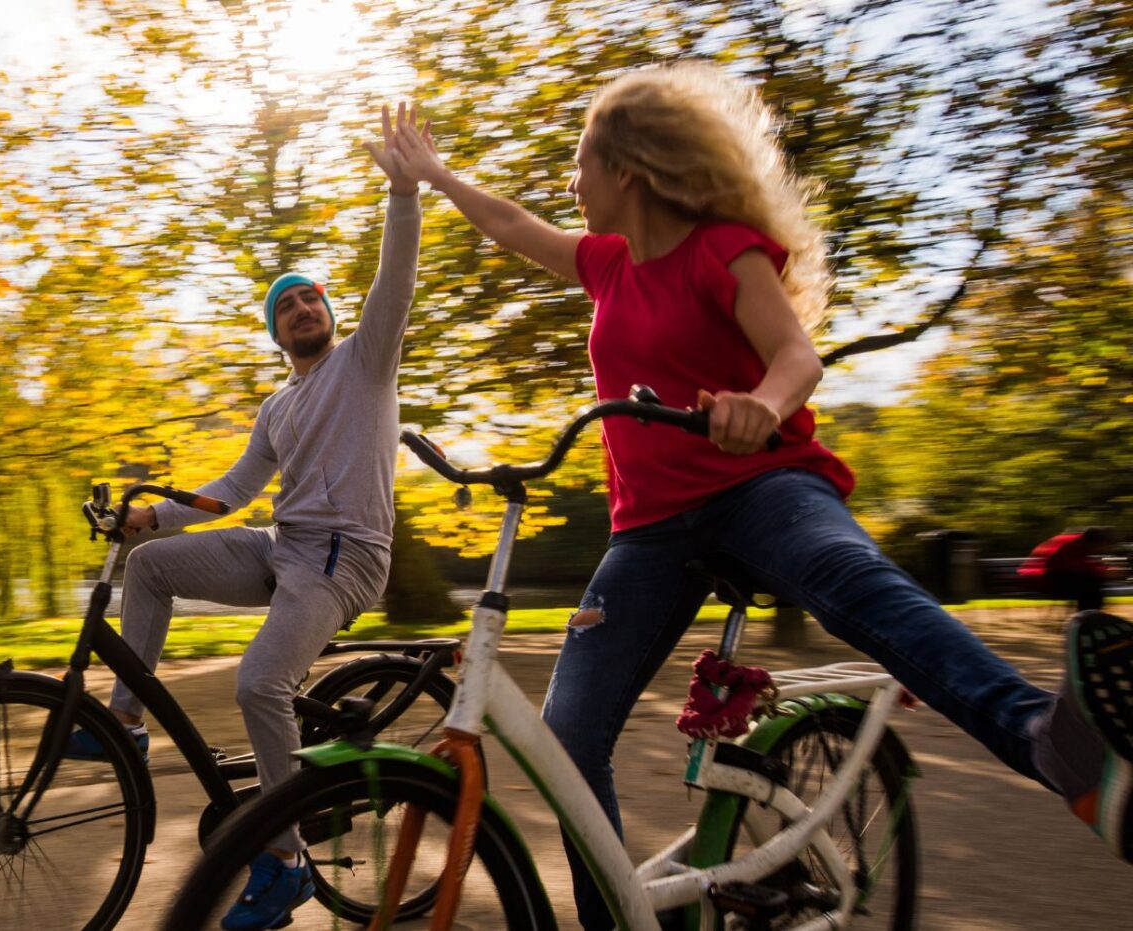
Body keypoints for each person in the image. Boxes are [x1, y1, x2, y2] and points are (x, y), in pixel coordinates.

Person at [370, 63, 1133, 929]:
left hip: (762, 487)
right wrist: (432, 175)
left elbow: (796, 356)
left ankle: (1053, 739)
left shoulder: (721, 249)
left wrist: (762, 407)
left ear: (628, 167)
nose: (572, 184)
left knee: (851, 580)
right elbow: (512, 225)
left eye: (581, 163)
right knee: (568, 732)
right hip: (650, 532)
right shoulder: (607, 266)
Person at [65, 103, 428, 931]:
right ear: (275, 333)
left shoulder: (365, 362)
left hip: (345, 556)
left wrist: (403, 194)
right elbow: (230, 492)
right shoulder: (279, 404)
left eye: (310, 298)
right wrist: (147, 517)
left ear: (329, 312)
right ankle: (124, 723)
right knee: (150, 569)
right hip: (283, 545)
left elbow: (396, 281)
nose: (302, 308)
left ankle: (286, 863)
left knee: (260, 683)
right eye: (286, 305)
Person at [1022, 527, 1124, 612]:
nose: (1101, 548)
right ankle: (1087, 615)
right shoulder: (1074, 546)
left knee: (1093, 584)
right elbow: (1077, 567)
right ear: (1093, 542)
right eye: (1101, 544)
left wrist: (1102, 571)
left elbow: (1083, 565)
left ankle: (1090, 614)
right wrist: (1102, 572)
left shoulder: (1079, 544)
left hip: (1058, 579)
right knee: (1090, 587)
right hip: (1052, 582)